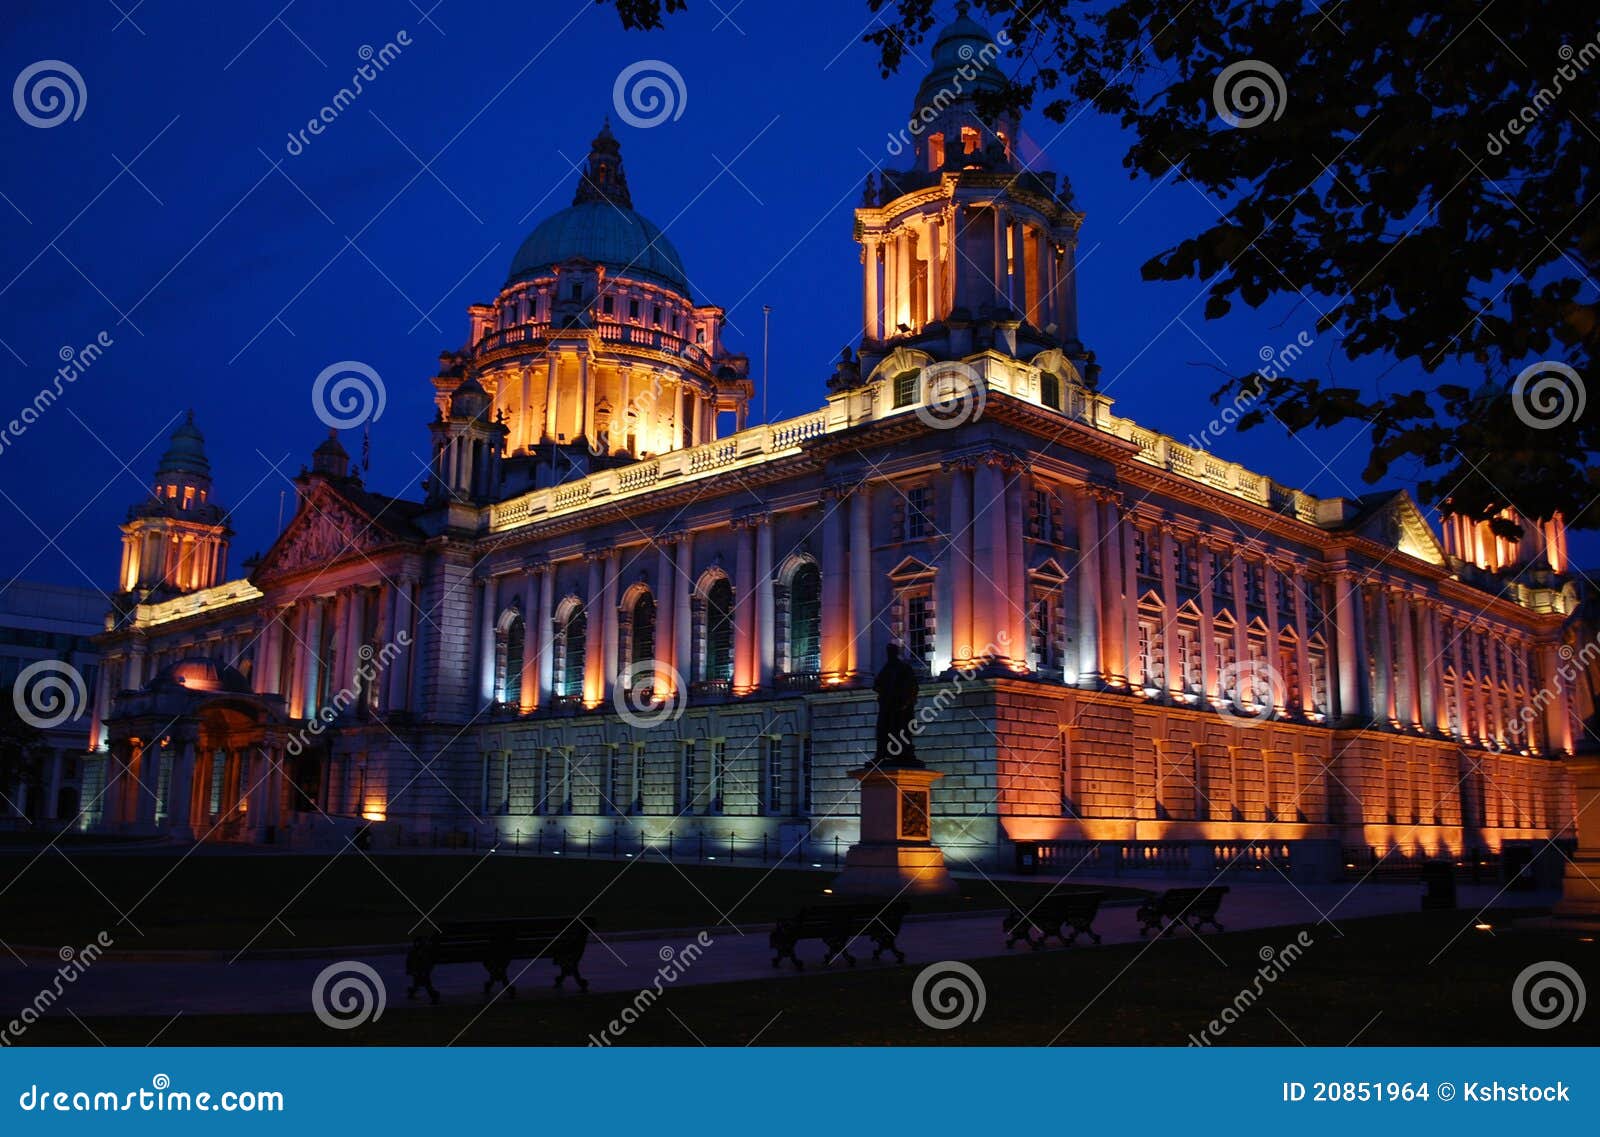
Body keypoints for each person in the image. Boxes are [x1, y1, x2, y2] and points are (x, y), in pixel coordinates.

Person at [873, 644, 922, 765]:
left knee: (900, 730)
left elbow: (913, 687)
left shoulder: (903, 668)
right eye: (888, 652)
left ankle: (902, 753)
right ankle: (883, 754)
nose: (889, 654)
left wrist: (906, 702)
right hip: (888, 707)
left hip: (899, 707)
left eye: (891, 651)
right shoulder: (887, 668)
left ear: (895, 653)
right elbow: (877, 685)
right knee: (884, 731)